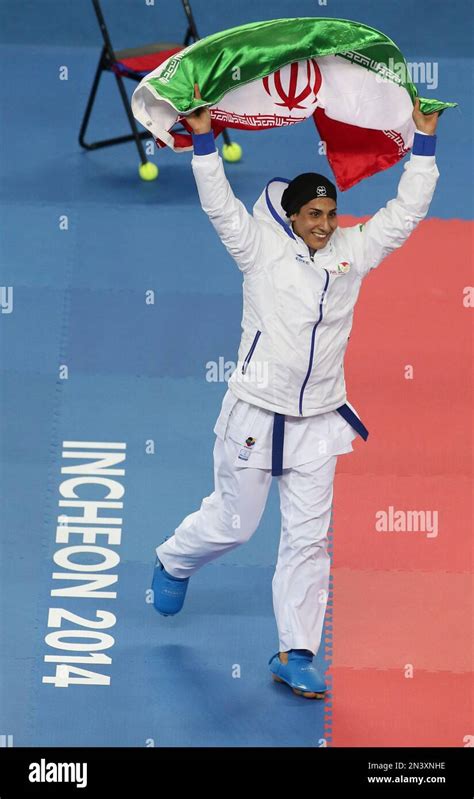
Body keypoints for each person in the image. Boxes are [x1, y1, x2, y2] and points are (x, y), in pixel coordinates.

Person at [151, 83, 440, 699]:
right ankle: (174, 559)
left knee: (307, 540)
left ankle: (296, 651)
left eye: (332, 214)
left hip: (318, 423)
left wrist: (425, 141)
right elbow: (219, 205)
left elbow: (406, 213)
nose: (326, 225)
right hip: (255, 413)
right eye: (315, 215)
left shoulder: (352, 253)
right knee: (234, 523)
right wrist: (204, 138)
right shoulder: (258, 252)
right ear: (292, 215)